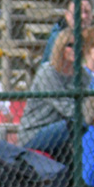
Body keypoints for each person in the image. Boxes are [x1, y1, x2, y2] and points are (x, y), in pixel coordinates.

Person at [20, 29, 80, 169]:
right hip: (35, 132)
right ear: (60, 48)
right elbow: (67, 108)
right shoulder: (48, 72)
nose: (75, 49)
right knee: (76, 124)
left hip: (62, 132)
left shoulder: (81, 74)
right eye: (69, 45)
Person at [40, 0, 94, 65]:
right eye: (77, 12)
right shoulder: (57, 37)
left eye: (87, 12)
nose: (83, 16)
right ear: (67, 15)